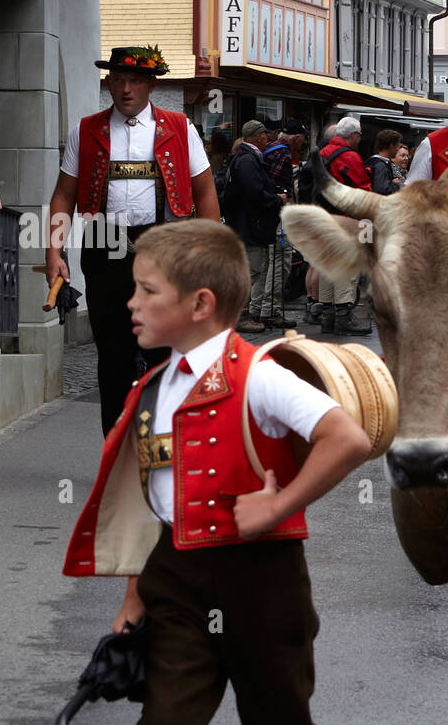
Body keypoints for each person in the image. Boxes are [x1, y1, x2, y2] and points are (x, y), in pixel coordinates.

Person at [63, 220, 374, 725]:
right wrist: (135, 596)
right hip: (176, 578)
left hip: (261, 584)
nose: (130, 303)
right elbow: (152, 502)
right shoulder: (152, 386)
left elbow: (347, 440)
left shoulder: (259, 374)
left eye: (147, 291)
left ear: (200, 303)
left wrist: (275, 506)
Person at [47, 45, 219, 434]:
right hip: (103, 245)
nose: (126, 89)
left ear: (151, 85)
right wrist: (54, 252)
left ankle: (161, 443)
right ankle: (117, 450)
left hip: (163, 246)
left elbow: (206, 193)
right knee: (112, 353)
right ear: (108, 83)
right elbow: (64, 195)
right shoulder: (85, 129)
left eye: (135, 81)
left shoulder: (180, 127)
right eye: (119, 80)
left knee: (162, 348)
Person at [314, 118, 372, 334]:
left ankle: (327, 317)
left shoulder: (322, 153)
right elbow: (362, 189)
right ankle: (343, 317)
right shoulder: (350, 156)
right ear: (354, 135)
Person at [226, 120, 283, 333]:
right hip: (250, 224)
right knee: (252, 270)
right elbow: (255, 192)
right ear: (257, 137)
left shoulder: (243, 158)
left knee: (251, 268)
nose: (266, 138)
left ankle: (244, 312)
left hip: (246, 223)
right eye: (263, 135)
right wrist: (277, 200)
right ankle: (241, 315)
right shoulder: (248, 160)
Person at [259, 125, 298, 329]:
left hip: (267, 216)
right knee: (280, 261)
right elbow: (275, 184)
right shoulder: (282, 154)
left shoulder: (268, 151)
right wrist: (281, 198)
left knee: (268, 263)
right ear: (294, 138)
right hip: (279, 214)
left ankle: (264, 308)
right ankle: (271, 310)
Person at [368, 128, 403, 196]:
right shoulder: (381, 166)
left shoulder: (373, 161)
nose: (398, 149)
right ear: (391, 145)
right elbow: (381, 191)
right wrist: (395, 185)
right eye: (397, 145)